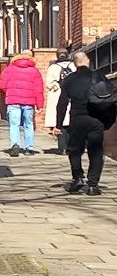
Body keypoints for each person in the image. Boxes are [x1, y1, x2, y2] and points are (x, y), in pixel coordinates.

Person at [50, 51, 117, 195]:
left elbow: (62, 104)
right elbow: (110, 96)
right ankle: (93, 185)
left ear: (74, 63)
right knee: (96, 151)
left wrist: (58, 125)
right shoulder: (98, 76)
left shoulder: (69, 79)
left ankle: (78, 178)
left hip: (77, 119)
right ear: (87, 61)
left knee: (74, 150)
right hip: (96, 118)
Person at [0, 50, 45, 156]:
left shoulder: (9, 69)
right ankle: (28, 148)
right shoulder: (34, 71)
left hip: (13, 100)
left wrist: (9, 92)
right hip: (29, 101)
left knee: (14, 124)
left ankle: (15, 144)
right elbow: (38, 89)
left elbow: (2, 85)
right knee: (28, 124)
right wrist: (40, 104)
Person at [43, 47, 74, 155]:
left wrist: (55, 85)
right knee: (71, 122)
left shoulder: (53, 67)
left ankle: (62, 148)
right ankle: (71, 146)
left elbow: (49, 84)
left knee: (60, 121)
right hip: (72, 94)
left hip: (58, 94)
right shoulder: (73, 65)